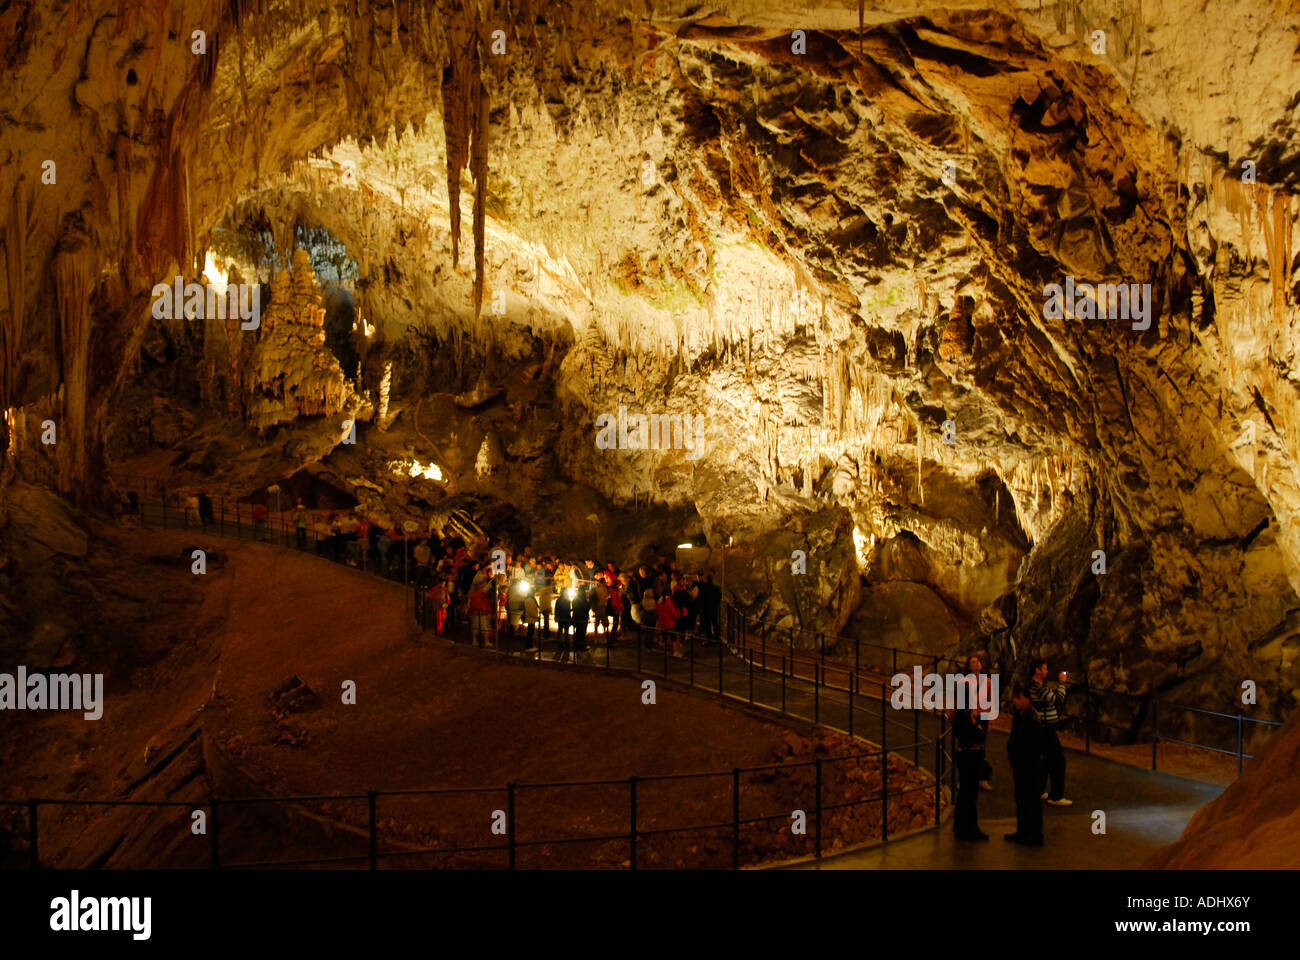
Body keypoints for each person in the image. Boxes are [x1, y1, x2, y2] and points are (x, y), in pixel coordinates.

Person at [1005, 683, 1045, 846]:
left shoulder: (1032, 719)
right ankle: (1023, 831)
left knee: (1030, 799)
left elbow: (1033, 745)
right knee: (1022, 798)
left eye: (1019, 698)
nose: (1016, 701)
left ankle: (1034, 834)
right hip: (1021, 764)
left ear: (1027, 699)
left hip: (1029, 765)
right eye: (1015, 698)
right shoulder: (1020, 716)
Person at [1029, 659, 1072, 805]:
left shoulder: (1039, 686)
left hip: (1045, 726)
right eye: (1045, 669)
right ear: (1037, 670)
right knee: (1058, 761)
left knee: (1045, 760)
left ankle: (1039, 789)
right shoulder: (1037, 686)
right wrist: (1061, 684)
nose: (1047, 672)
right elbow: (1057, 700)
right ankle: (1056, 795)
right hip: (1046, 727)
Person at [953, 703, 989, 841]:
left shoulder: (962, 713)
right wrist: (977, 727)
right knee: (969, 794)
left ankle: (963, 827)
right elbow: (976, 734)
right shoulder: (966, 715)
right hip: (971, 758)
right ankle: (969, 828)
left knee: (965, 794)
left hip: (966, 756)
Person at [965, 653, 995, 792]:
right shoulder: (965, 682)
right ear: (969, 666)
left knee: (981, 748)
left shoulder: (987, 682)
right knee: (968, 748)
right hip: (969, 717)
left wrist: (989, 719)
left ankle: (982, 777)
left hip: (981, 717)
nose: (977, 664)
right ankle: (968, 778)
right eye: (973, 661)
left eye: (978, 661)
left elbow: (991, 701)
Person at [696, 574, 721, 642]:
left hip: (706, 609)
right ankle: (716, 637)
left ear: (706, 579)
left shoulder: (704, 587)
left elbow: (701, 598)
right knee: (715, 623)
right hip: (714, 608)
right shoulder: (716, 587)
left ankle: (709, 639)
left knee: (707, 624)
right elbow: (719, 597)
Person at [468, 581, 493, 646]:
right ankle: (485, 642)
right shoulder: (478, 595)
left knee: (476, 628)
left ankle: (476, 641)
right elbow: (479, 605)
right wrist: (488, 608)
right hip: (480, 613)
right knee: (483, 629)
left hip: (477, 613)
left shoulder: (476, 595)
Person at [554, 587, 575, 663]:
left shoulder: (559, 600)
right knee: (566, 632)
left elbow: (556, 609)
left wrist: (556, 617)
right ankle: (566, 645)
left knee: (560, 631)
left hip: (561, 618)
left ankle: (560, 645)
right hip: (565, 618)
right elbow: (568, 610)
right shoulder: (567, 600)